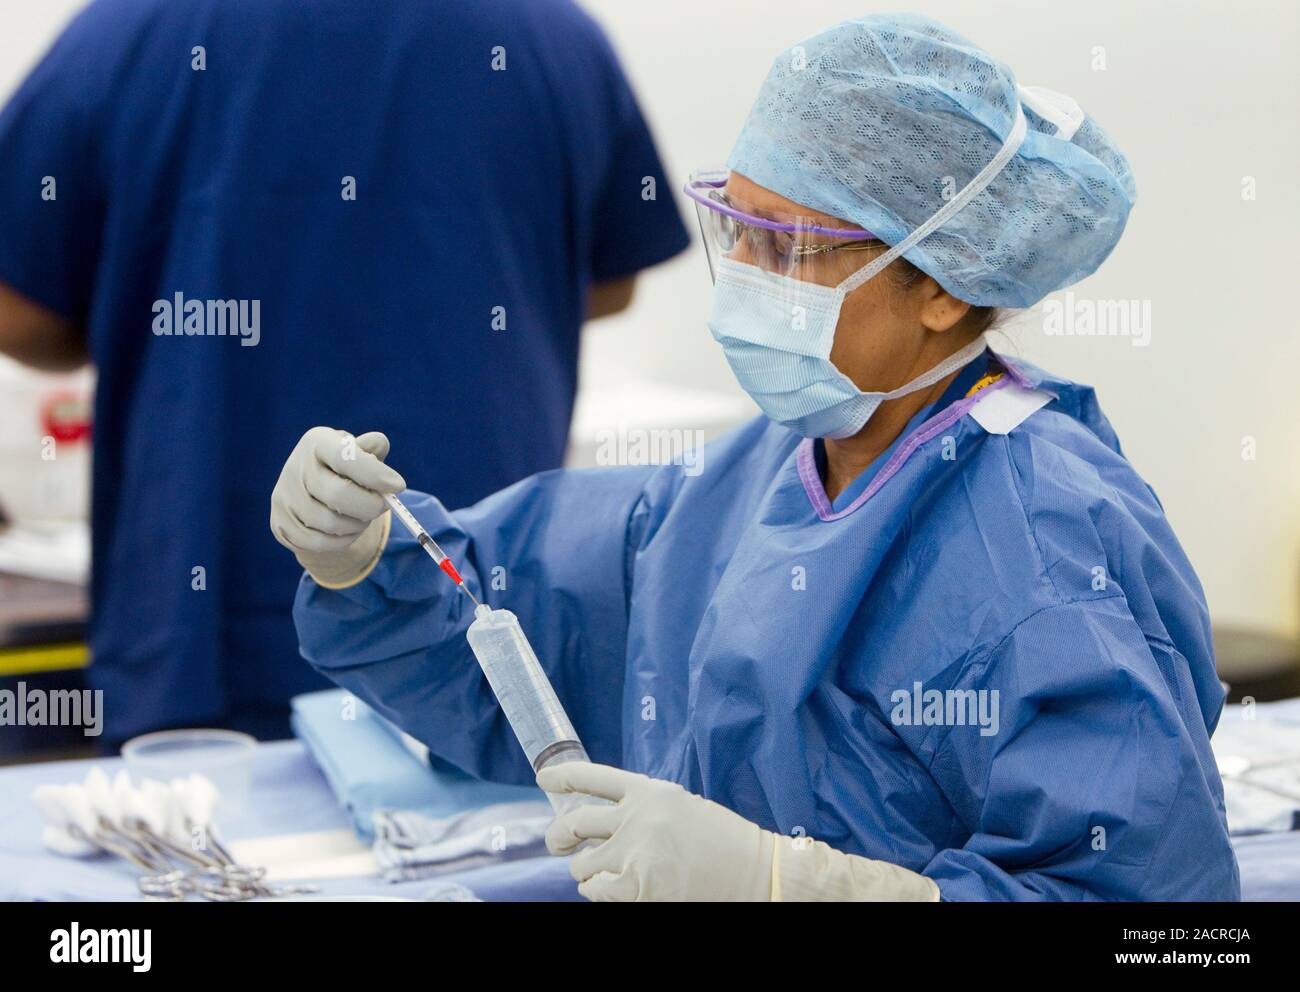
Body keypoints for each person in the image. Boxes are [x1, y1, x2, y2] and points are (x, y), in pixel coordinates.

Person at [273, 14, 1239, 900]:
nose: (743, 276)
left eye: (789, 246)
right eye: (733, 227)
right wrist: (364, 563)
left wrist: (788, 884)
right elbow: (520, 632)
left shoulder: (1051, 551)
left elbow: (1161, 920)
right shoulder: (759, 475)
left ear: (941, 287)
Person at [0, 0, 688, 744]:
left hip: (204, 633)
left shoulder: (129, 35)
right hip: (479, 629)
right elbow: (609, 280)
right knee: (506, 844)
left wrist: (165, 324)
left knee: (206, 832)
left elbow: (19, 308)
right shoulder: (553, 37)